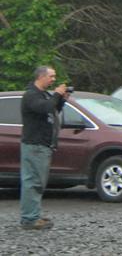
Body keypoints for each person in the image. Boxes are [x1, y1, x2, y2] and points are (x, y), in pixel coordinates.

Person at [20, 65, 67, 230]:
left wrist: (61, 100)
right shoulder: (31, 95)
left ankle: (34, 214)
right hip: (34, 145)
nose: (54, 80)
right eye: (51, 76)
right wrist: (57, 94)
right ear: (41, 77)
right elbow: (44, 108)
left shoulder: (42, 95)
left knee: (38, 182)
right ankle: (29, 218)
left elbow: (51, 110)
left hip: (43, 145)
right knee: (32, 182)